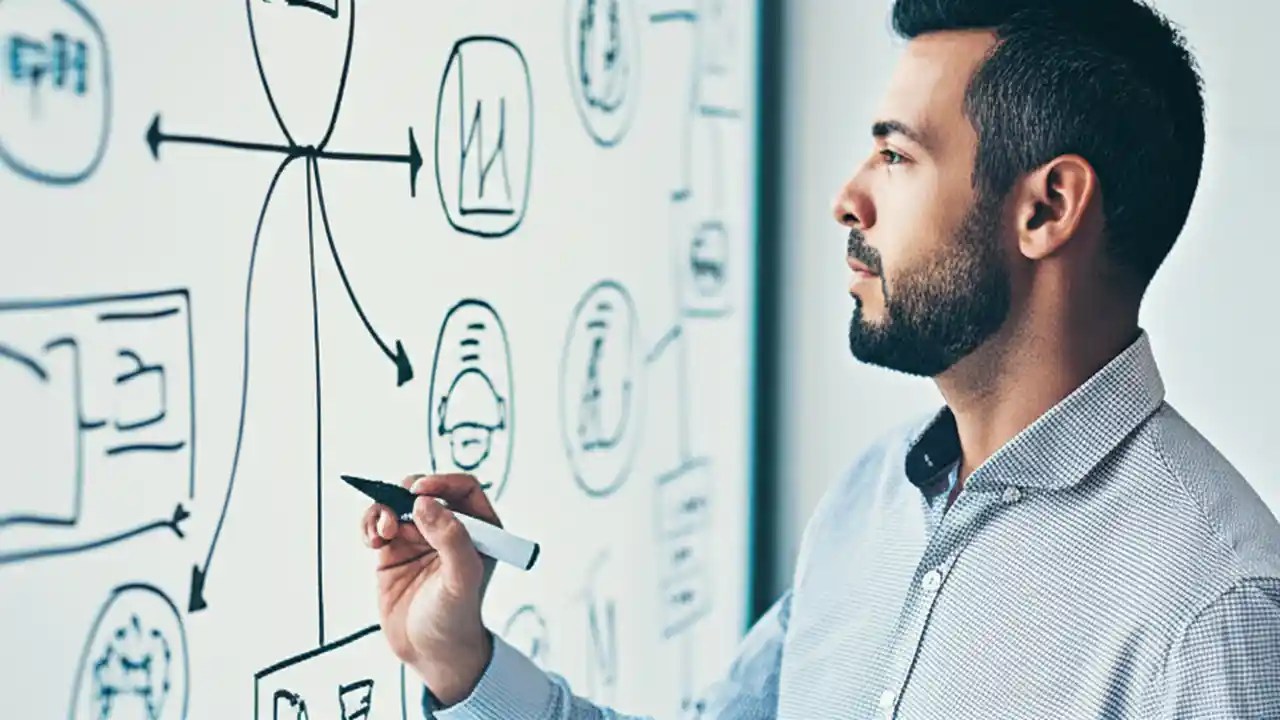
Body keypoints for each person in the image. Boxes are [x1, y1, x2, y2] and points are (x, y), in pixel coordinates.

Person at [359, 0, 1280, 717]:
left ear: (1047, 209)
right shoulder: (873, 498)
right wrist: (461, 661)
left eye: (897, 156)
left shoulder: (1215, 609)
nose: (848, 199)